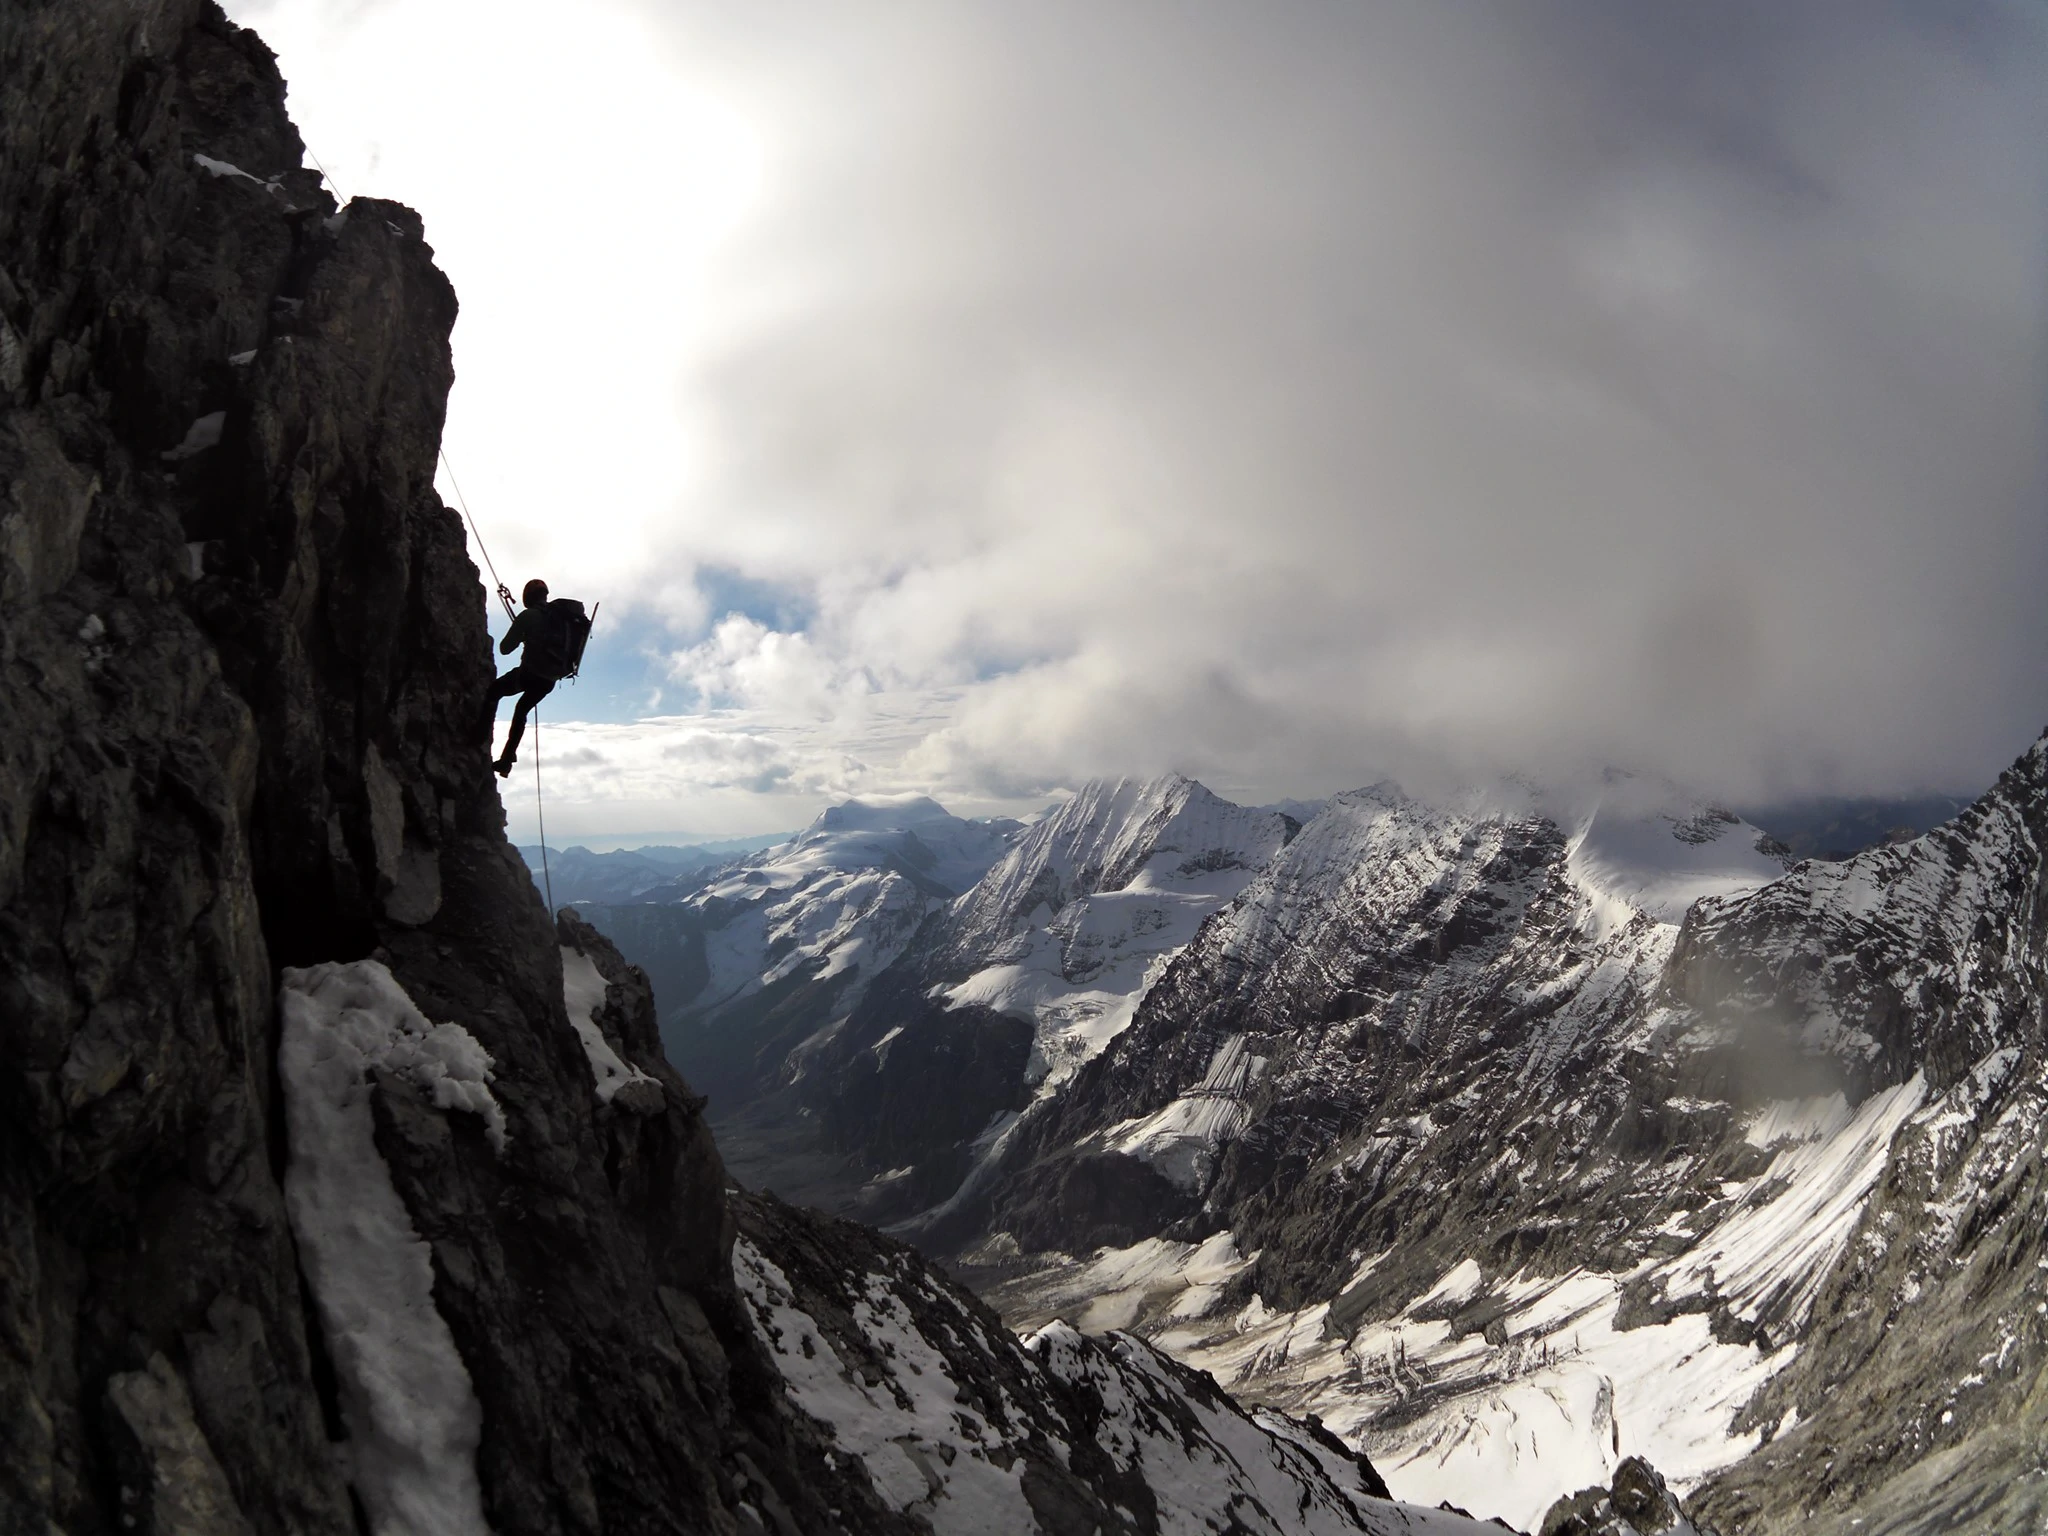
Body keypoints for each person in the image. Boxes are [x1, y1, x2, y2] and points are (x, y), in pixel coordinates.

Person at [487, 578, 585, 777]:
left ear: (527, 598)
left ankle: (478, 737)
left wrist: (523, 633)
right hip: (549, 680)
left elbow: (505, 649)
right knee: (522, 709)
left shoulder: (528, 616)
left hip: (529, 674)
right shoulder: (561, 620)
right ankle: (506, 760)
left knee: (494, 692)